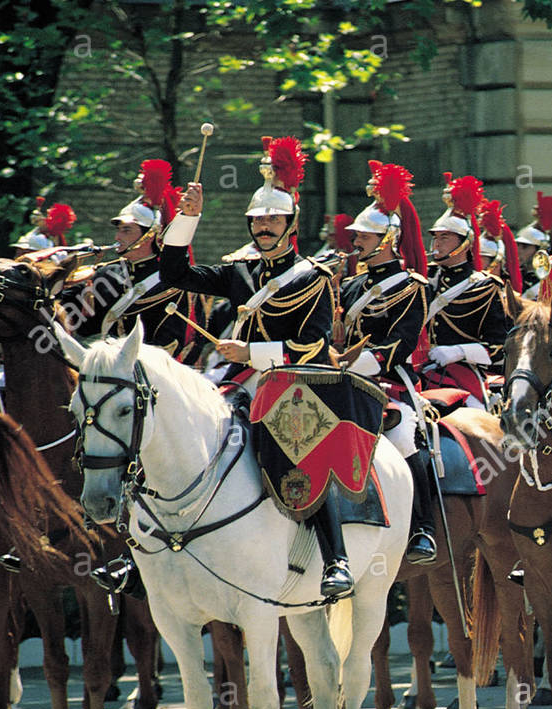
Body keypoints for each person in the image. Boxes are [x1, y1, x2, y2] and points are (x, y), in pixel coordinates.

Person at [93, 135, 349, 599]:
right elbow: (174, 274)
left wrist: (251, 354)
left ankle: (336, 560)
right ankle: (134, 554)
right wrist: (187, 217)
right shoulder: (239, 270)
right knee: (167, 428)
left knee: (297, 449)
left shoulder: (314, 277)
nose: (264, 226)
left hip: (294, 380)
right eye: (258, 220)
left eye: (273, 218)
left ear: (291, 223)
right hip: (235, 378)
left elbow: (313, 345)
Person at [339, 160, 437, 565]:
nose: (356, 239)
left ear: (386, 240)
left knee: (404, 439)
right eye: (357, 233)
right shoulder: (346, 284)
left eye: (364, 234)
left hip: (389, 378)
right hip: (341, 375)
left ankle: (422, 528)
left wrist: (357, 360)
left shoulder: (412, 287)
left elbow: (399, 344)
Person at [63, 159, 194, 360]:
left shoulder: (170, 280)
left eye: (126, 230)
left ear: (149, 234)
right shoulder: (104, 274)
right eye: (118, 230)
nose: (117, 237)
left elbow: (169, 344)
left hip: (147, 374)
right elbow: (77, 323)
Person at [419, 172, 511, 410]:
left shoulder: (485, 286)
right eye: (435, 238)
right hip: (418, 372)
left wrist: (459, 352)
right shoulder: (423, 279)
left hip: (463, 376)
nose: (436, 244)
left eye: (445, 238)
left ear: (465, 243)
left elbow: (499, 346)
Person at [515, 192, 552, 299]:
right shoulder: (511, 276)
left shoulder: (550, 281)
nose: (518, 250)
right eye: (517, 245)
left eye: (525, 247)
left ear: (541, 250)